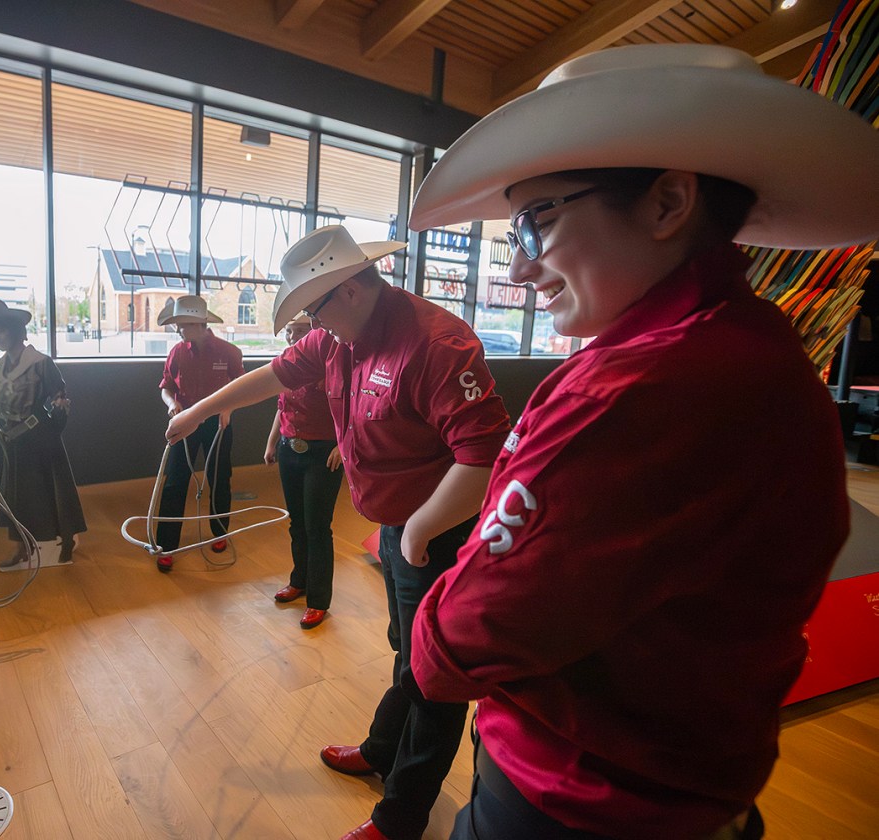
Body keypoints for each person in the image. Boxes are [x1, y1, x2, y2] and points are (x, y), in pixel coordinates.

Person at [406, 44, 879, 840]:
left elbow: (466, 635)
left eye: (538, 220)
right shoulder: (754, 344)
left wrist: (430, 629)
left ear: (667, 204)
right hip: (689, 784)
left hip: (578, 799)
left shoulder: (639, 387)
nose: (520, 269)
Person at [165, 225, 512, 840]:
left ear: (350, 290)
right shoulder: (336, 338)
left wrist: (421, 528)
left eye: (316, 307)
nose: (312, 323)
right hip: (401, 528)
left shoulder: (436, 343)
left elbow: (484, 458)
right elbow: (275, 376)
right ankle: (382, 751)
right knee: (409, 653)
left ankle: (401, 816)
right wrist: (196, 410)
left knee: (438, 676)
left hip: (442, 533)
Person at [0, 298, 86, 568]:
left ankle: (66, 541)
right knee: (16, 497)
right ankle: (23, 546)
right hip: (13, 439)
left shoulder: (40, 362)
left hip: (41, 438)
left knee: (55, 491)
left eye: (0, 330)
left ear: (15, 329)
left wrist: (52, 431)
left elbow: (60, 397)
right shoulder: (1, 366)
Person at [154, 294, 244, 572]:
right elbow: (166, 387)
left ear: (200, 324)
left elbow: (241, 387)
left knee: (219, 477)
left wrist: (228, 409)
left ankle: (220, 533)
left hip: (217, 422)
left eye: (184, 325)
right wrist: (173, 404)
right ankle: (166, 545)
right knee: (175, 482)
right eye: (178, 325)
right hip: (184, 421)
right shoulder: (177, 352)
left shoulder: (229, 351)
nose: (180, 330)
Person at [264, 317, 343, 629]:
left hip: (322, 455)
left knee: (317, 527)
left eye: (299, 330)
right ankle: (300, 580)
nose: (292, 335)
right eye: (289, 330)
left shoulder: (332, 367)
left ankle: (319, 600)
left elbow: (349, 407)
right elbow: (280, 409)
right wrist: (271, 443)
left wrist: (342, 445)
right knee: (297, 522)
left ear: (314, 333)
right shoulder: (285, 367)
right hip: (289, 449)